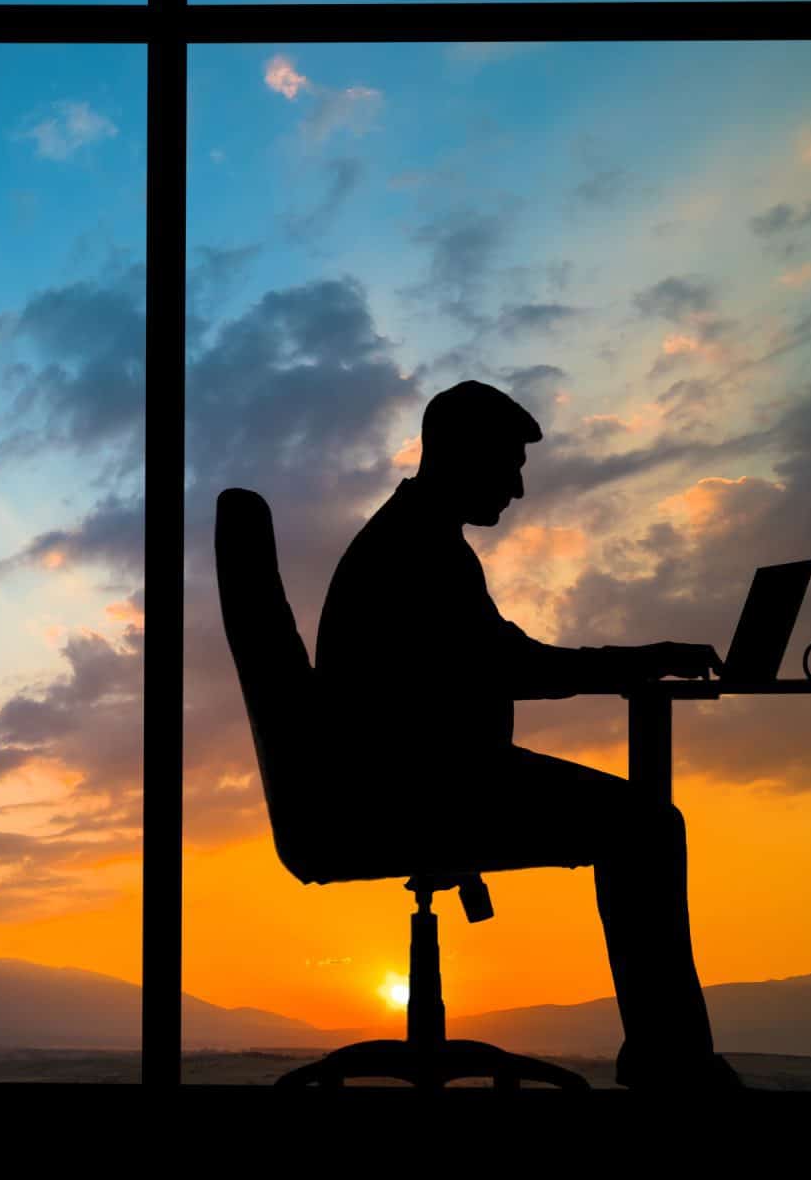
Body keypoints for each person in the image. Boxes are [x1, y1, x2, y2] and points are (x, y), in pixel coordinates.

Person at [313, 378, 742, 1090]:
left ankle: (668, 1059)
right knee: (646, 829)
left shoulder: (413, 537)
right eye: (508, 465)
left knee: (641, 823)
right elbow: (512, 665)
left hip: (409, 780)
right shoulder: (420, 548)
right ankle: (674, 1066)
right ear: (460, 454)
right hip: (425, 789)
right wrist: (643, 661)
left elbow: (499, 660)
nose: (516, 489)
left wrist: (637, 661)